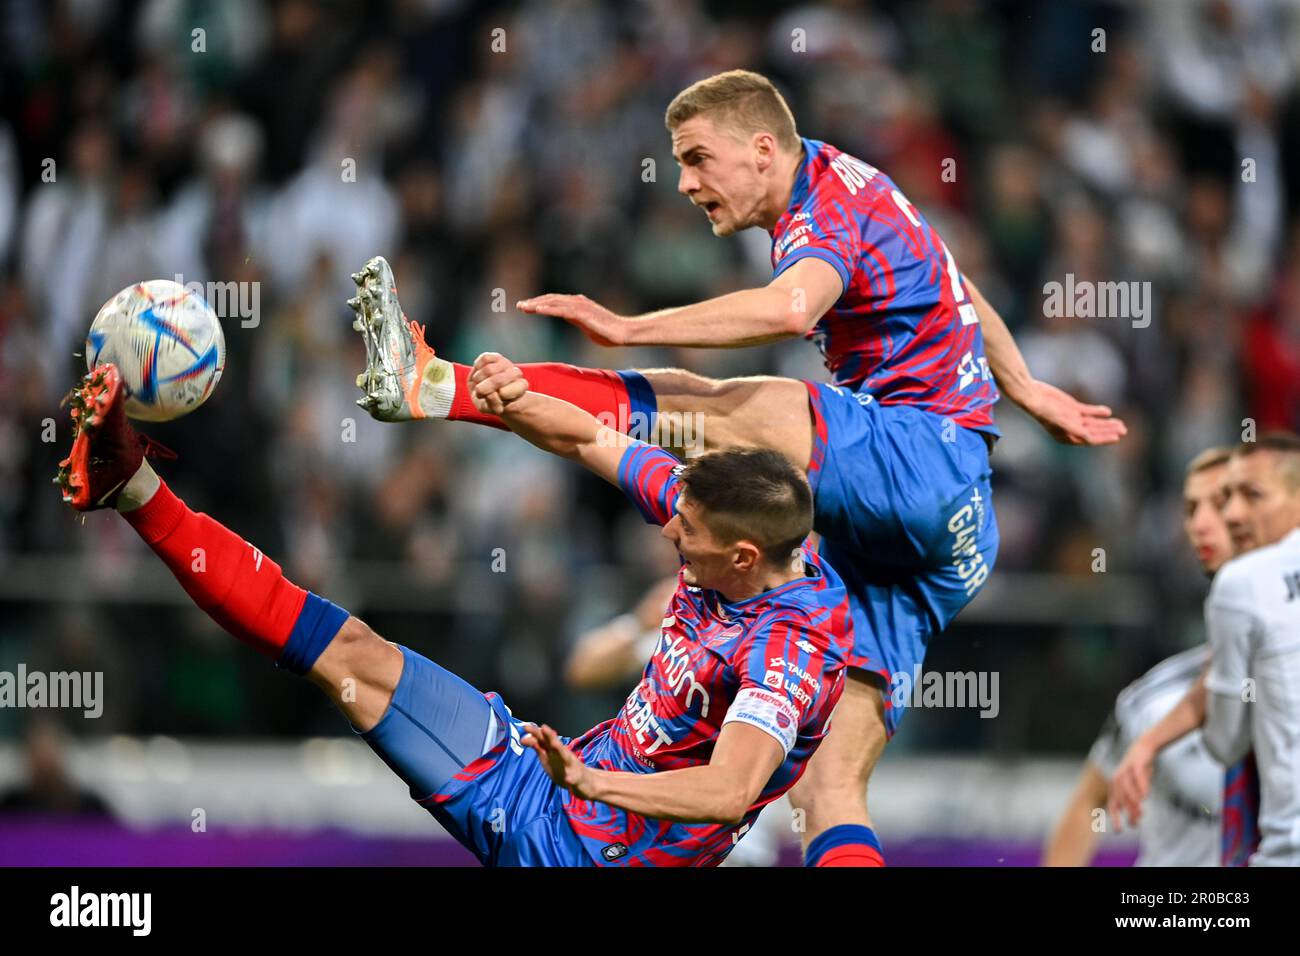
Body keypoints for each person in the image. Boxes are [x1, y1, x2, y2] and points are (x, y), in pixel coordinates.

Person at [351, 69, 1125, 865]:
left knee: (707, 406)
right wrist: (1023, 385)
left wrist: (626, 327)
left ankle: (433, 384)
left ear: (762, 150)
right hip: (948, 536)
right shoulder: (862, 189)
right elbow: (954, 284)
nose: (684, 182)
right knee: (826, 793)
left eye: (695, 158)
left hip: (920, 458)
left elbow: (793, 309)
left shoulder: (825, 205)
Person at [56, 358, 852, 866]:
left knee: (347, 667)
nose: (671, 528)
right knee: (352, 650)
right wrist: (476, 390)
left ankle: (133, 491)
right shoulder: (722, 513)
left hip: (578, 848)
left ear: (746, 558)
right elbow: (586, 439)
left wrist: (591, 782)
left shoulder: (790, 650)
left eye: (690, 531)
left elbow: (725, 790)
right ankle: (131, 485)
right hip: (559, 782)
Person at [1110, 433, 1300, 865]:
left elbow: (1226, 738)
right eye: (1192, 508)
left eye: (1248, 496)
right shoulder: (1159, 694)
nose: (1229, 516)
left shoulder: (1245, 586)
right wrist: (1150, 743)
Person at [1042, 447, 1234, 866]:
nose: (1200, 523)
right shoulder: (1151, 701)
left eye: (1220, 504)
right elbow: (1089, 803)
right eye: (1190, 508)